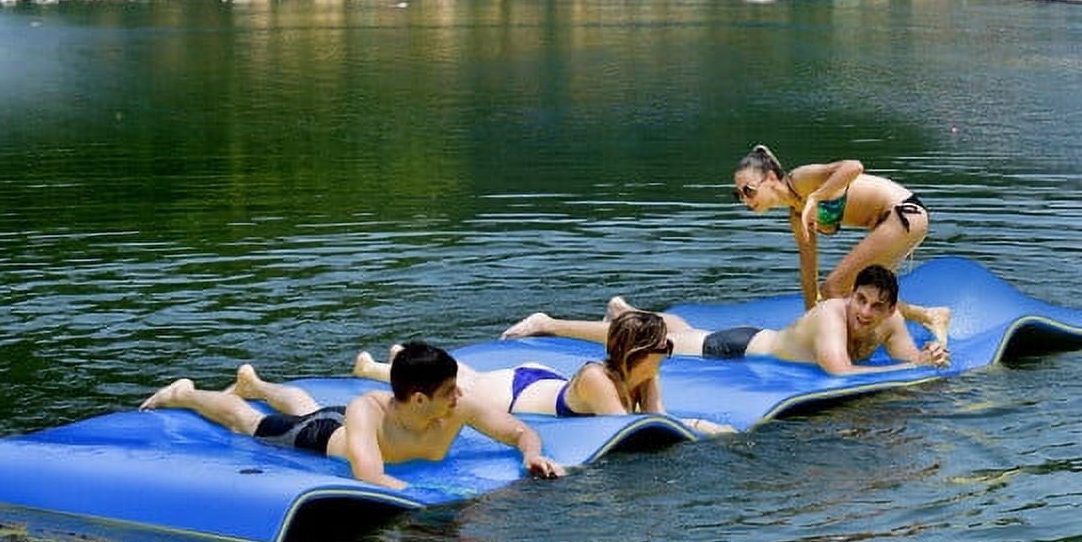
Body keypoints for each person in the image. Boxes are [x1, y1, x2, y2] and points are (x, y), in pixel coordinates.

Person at [140, 339, 563, 491]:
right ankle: (187, 393)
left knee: (306, 402)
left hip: (341, 422)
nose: (460, 395)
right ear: (418, 399)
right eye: (449, 390)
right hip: (323, 435)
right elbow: (370, 475)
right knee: (250, 423)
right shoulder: (366, 409)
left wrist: (531, 454)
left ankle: (256, 384)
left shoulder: (457, 407)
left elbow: (519, 431)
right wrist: (436, 503)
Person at [504, 264, 949, 377]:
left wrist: (925, 357)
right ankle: (550, 323)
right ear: (851, 295)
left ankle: (626, 309)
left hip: (751, 341)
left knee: (680, 329)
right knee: (652, 341)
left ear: (892, 309)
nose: (864, 312)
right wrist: (913, 368)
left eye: (875, 307)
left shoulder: (889, 322)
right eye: (860, 300)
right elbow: (839, 370)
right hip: (737, 349)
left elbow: (911, 360)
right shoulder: (833, 315)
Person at [353, 309, 735, 436]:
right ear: (638, 352)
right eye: (663, 347)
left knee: (467, 379)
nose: (669, 352)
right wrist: (700, 428)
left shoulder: (645, 373)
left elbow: (659, 418)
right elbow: (629, 426)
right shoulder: (597, 379)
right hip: (517, 393)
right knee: (462, 387)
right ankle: (374, 368)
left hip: (544, 381)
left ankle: (401, 354)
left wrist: (706, 427)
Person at [732, 143, 950, 342]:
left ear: (770, 178)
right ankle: (929, 316)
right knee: (855, 293)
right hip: (891, 223)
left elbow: (854, 167)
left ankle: (866, 342)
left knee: (834, 288)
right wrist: (811, 324)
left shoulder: (800, 180)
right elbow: (809, 274)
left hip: (904, 213)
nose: (744, 200)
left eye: (748, 191)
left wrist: (816, 198)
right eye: (738, 195)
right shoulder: (797, 217)